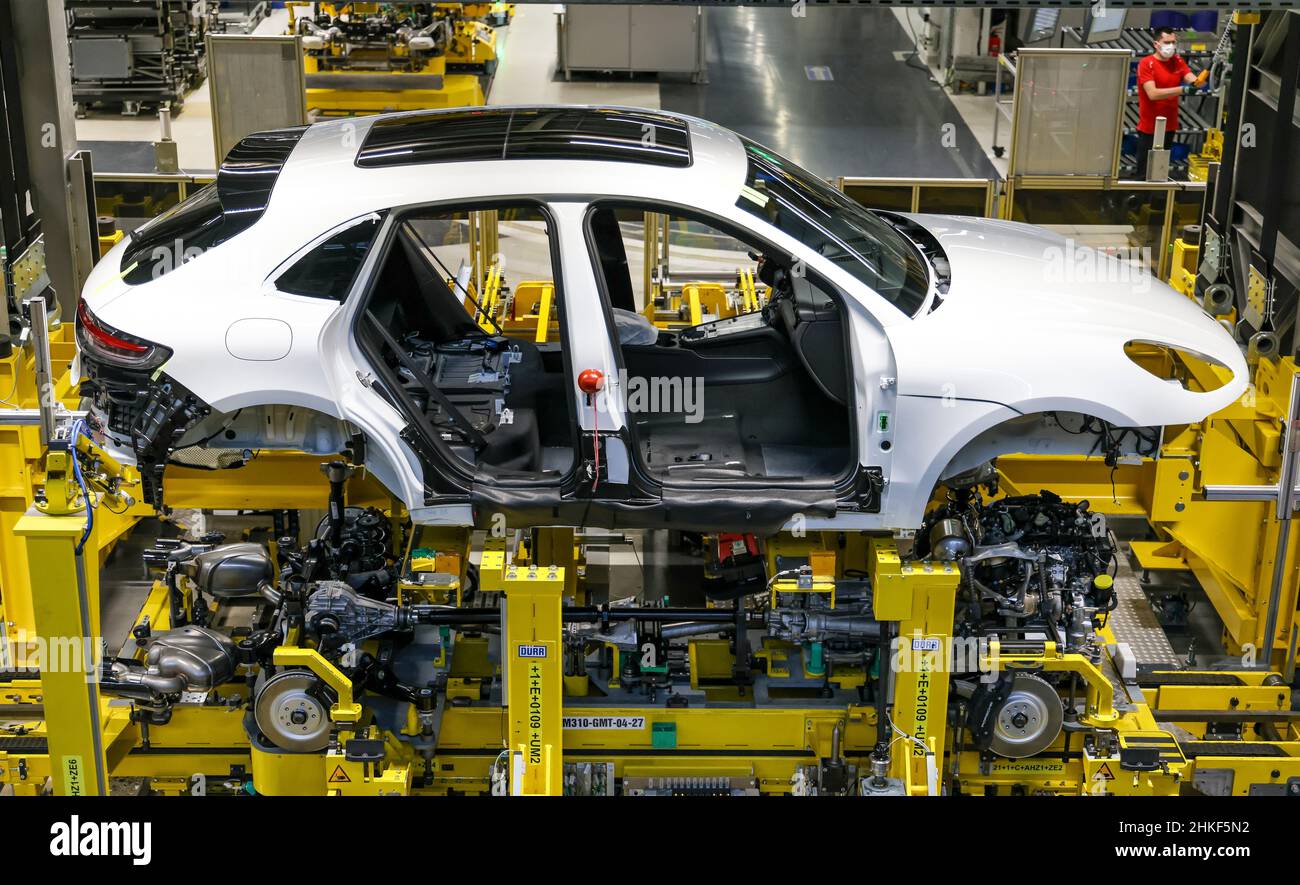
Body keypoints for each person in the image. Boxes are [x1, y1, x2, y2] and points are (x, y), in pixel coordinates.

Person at [1134, 26, 1209, 180]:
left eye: (1173, 42)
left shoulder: (1177, 61)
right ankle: (1139, 200)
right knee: (1144, 172)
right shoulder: (1146, 64)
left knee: (1160, 171)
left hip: (1169, 125)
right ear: (1156, 44)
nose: (1171, 46)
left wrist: (1198, 81)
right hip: (1150, 127)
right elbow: (1153, 94)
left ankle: (1156, 202)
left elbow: (1189, 77)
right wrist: (1183, 90)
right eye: (1167, 42)